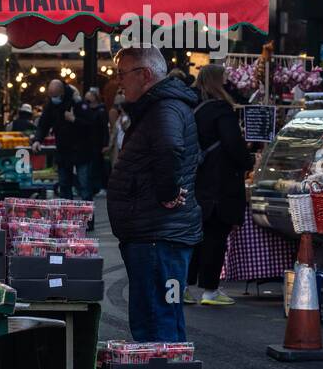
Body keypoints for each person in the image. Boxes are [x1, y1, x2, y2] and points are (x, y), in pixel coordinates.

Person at [106, 47, 201, 342]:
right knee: (156, 317)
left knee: (158, 320)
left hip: (159, 234)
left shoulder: (165, 108)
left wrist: (168, 193)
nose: (119, 82)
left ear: (145, 75)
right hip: (153, 232)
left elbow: (170, 149)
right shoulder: (157, 107)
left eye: (123, 74)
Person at [185, 63, 254, 306]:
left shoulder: (194, 109)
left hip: (199, 183)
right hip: (220, 185)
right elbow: (233, 145)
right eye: (225, 79)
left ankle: (183, 286)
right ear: (217, 82)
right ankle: (210, 290)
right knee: (216, 238)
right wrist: (249, 160)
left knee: (197, 238)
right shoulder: (221, 110)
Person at [32, 79, 94, 199]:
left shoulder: (77, 102)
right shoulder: (51, 105)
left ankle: (87, 216)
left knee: (84, 186)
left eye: (55, 96)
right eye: (51, 96)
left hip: (81, 149)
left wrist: (74, 120)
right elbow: (44, 123)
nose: (53, 99)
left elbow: (90, 125)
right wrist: (37, 140)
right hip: (64, 149)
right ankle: (67, 214)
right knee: (65, 186)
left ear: (62, 93)